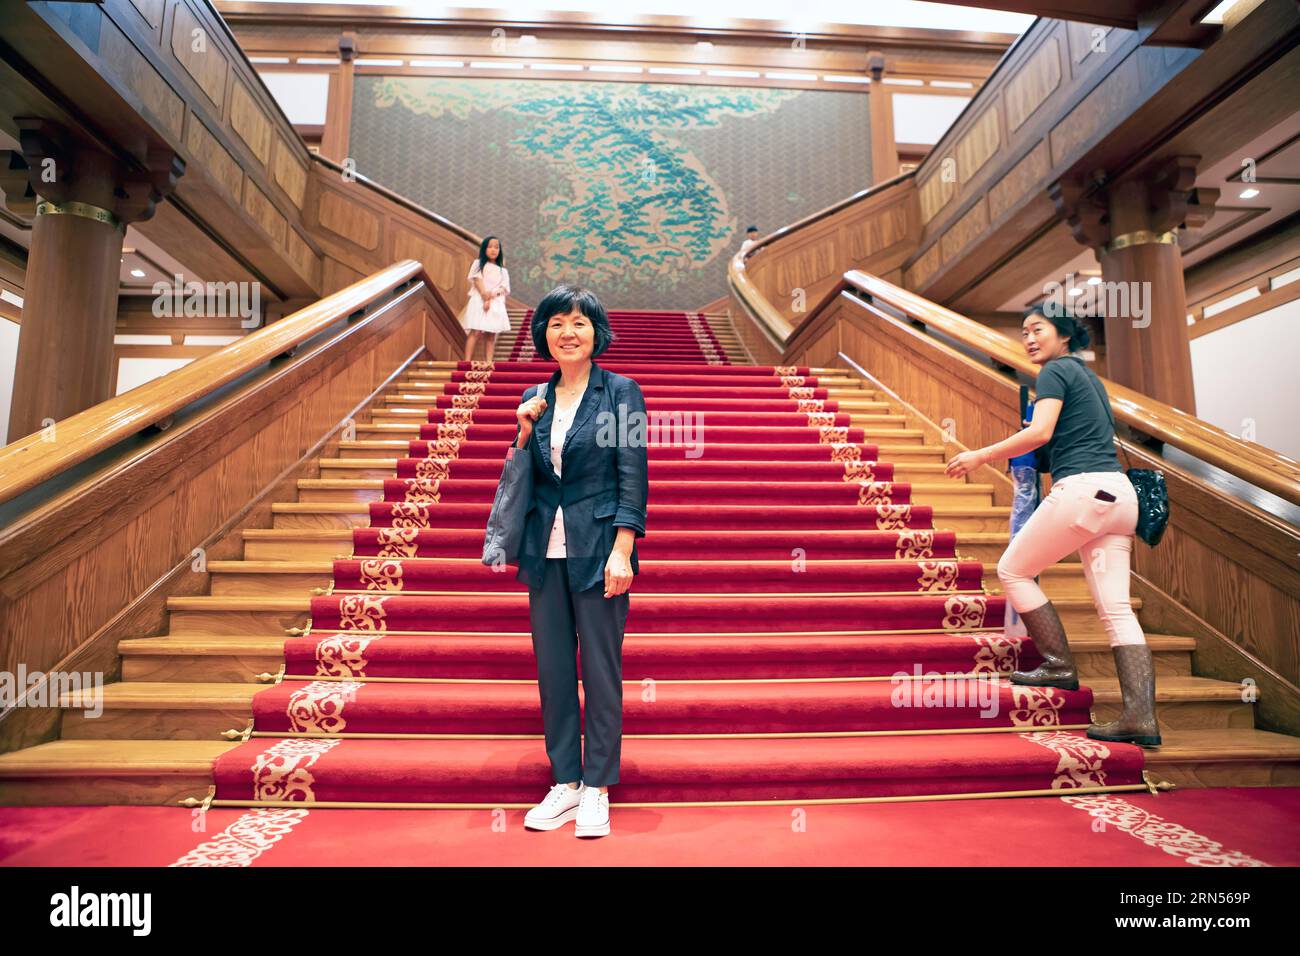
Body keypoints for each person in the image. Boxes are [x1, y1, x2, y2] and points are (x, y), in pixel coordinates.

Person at [944, 304, 1160, 747]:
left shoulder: (1054, 373)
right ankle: (1141, 717)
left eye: (1037, 329)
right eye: (1023, 331)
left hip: (1083, 491)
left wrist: (980, 455)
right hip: (1120, 496)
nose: (1028, 338)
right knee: (1116, 609)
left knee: (1013, 569)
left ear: (1064, 334)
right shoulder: (1089, 378)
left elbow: (1040, 433)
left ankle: (1060, 665)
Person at [511, 284, 649, 837]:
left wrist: (624, 550)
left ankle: (597, 787)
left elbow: (632, 477)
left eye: (579, 323)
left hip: (598, 553)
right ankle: (565, 781)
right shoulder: (534, 395)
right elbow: (529, 479)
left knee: (600, 668)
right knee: (553, 670)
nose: (567, 333)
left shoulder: (622, 393)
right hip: (544, 551)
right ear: (543, 333)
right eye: (556, 323)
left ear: (596, 333)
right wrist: (523, 432)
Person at [462, 236, 510, 363]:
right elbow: (477, 280)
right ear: (484, 249)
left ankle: (489, 362)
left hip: (496, 303)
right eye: (490, 247)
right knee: (475, 331)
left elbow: (504, 288)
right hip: (478, 300)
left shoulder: (503, 271)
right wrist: (485, 297)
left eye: (496, 247)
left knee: (491, 334)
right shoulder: (478, 264)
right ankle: (467, 361)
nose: (493, 250)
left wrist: (491, 296)